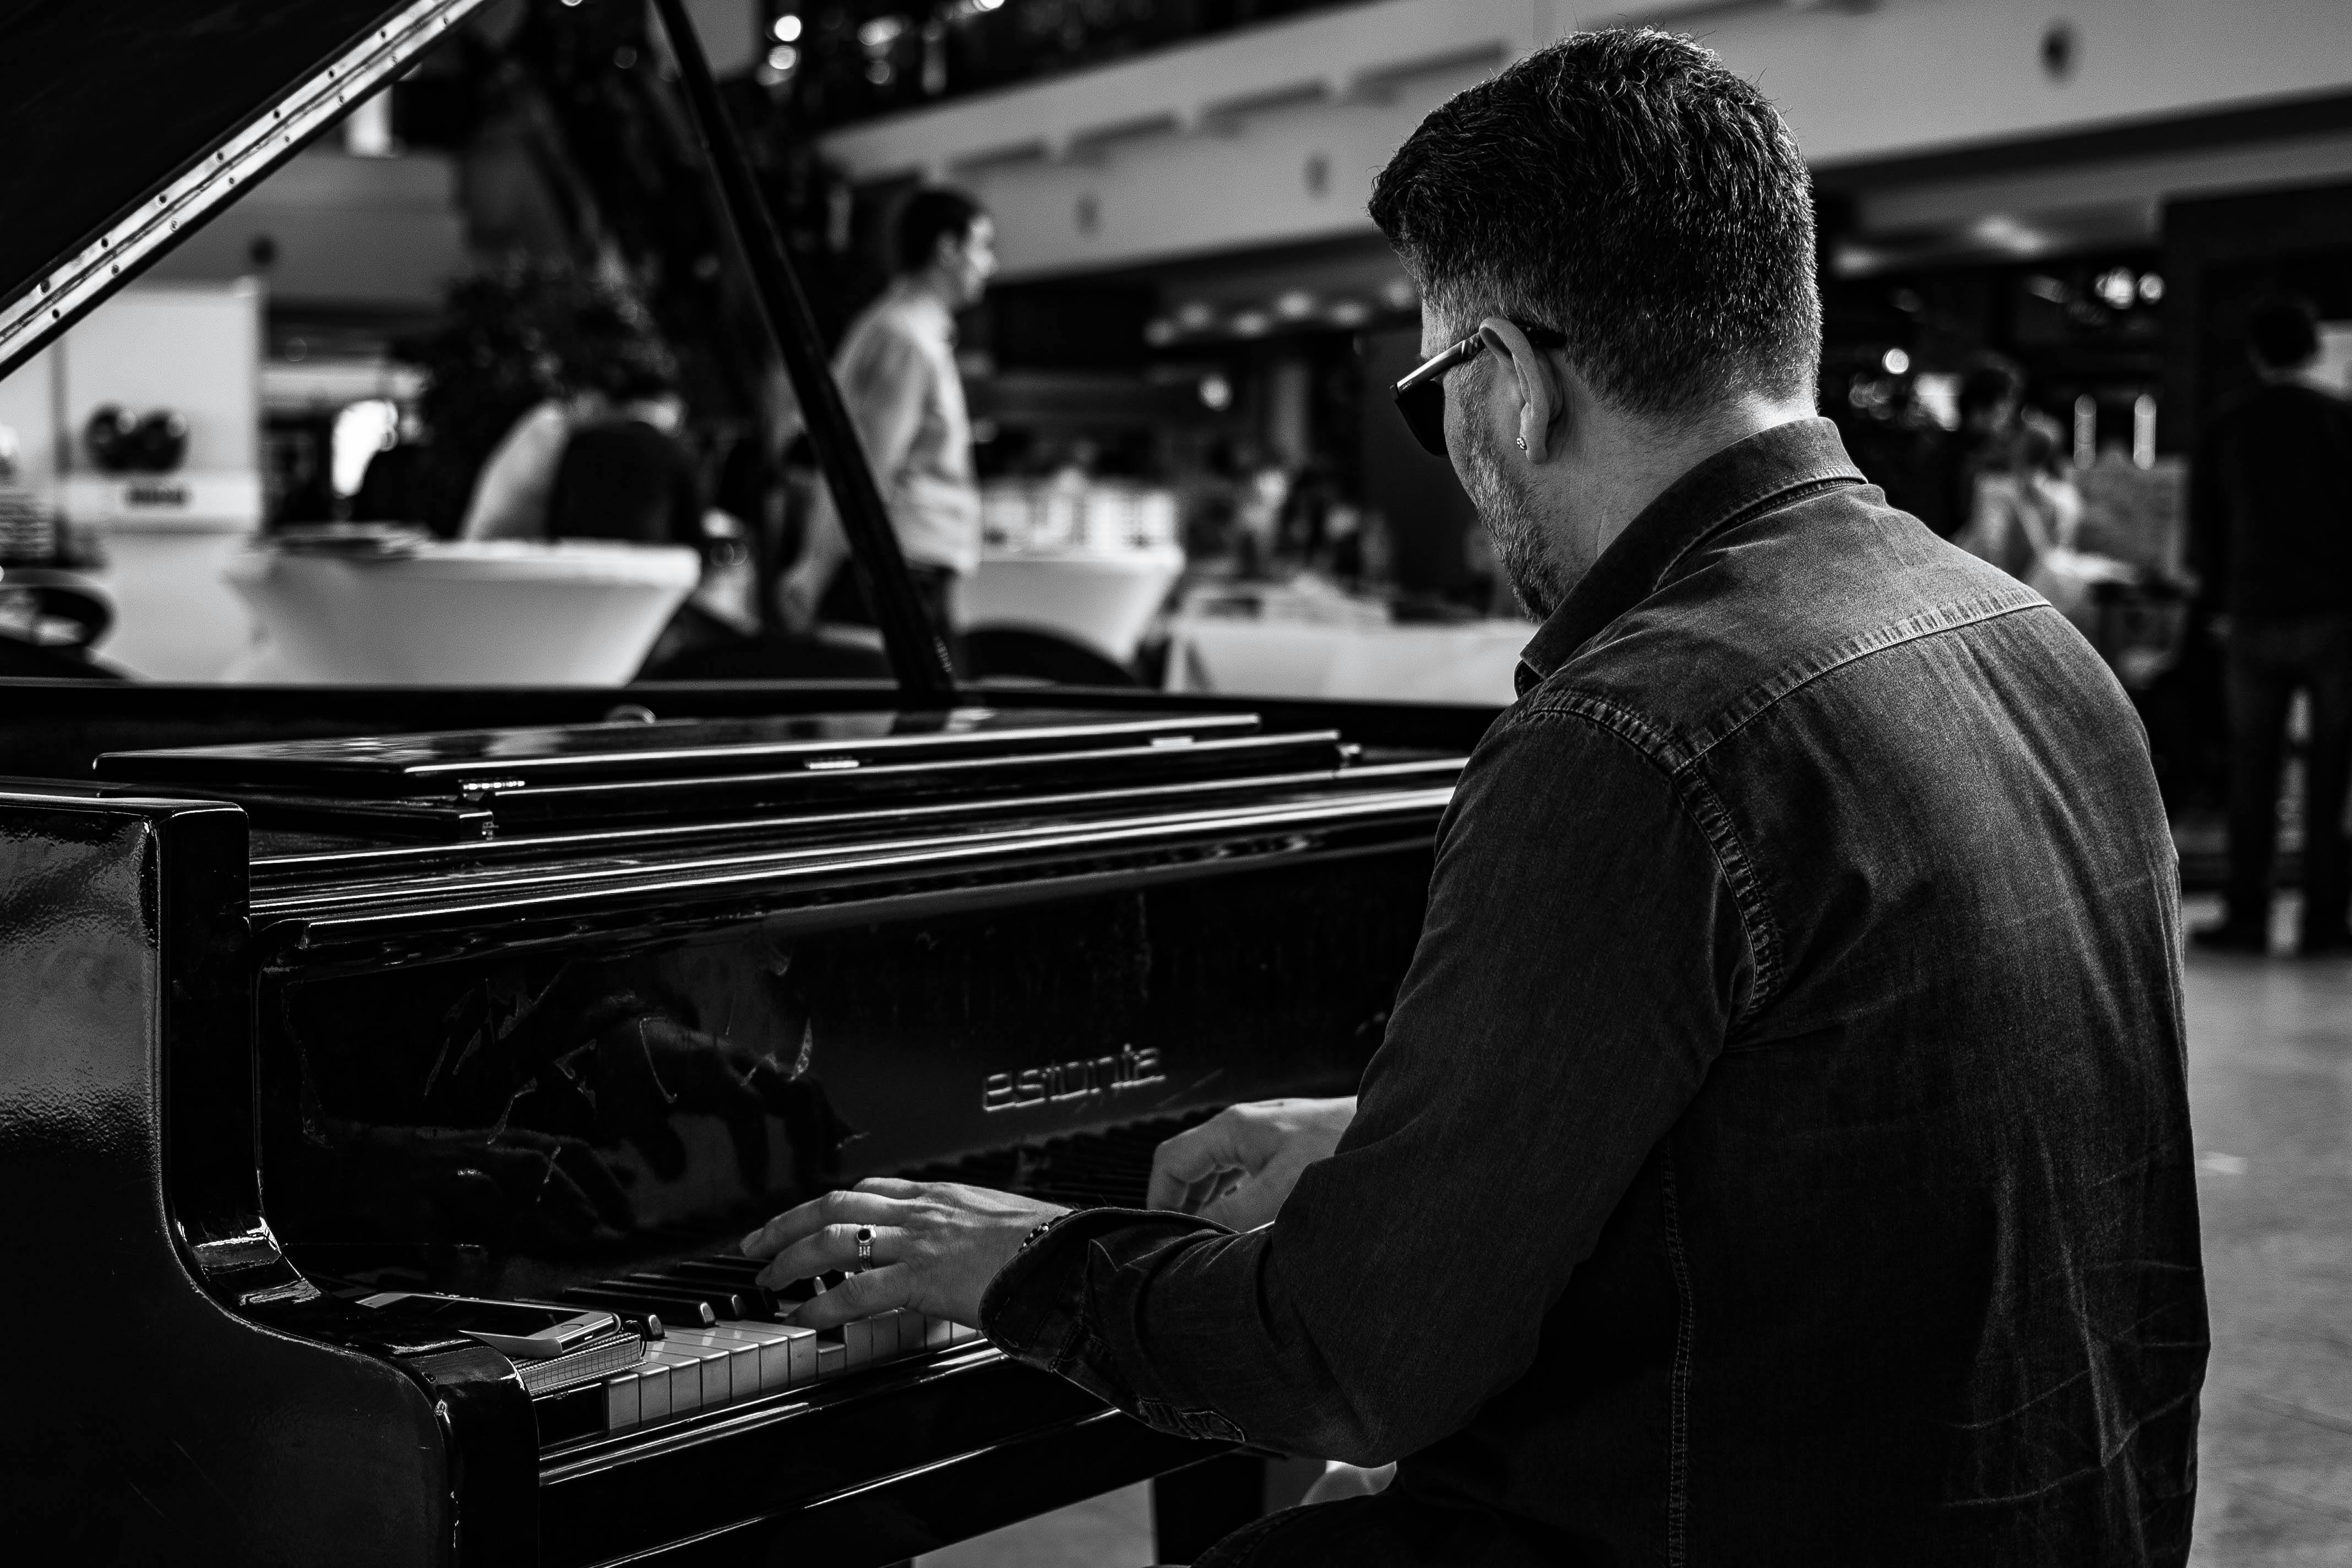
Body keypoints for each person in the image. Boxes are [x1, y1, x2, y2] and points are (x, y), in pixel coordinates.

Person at [739, 30, 2206, 1565]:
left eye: (1431, 385)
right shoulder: (2036, 646)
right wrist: (1404, 1140)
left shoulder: (1635, 733)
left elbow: (1349, 1359)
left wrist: (1029, 1259)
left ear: (1509, 381)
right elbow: (1840, 1126)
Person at [2190, 295, 2352, 955]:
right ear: (2312, 349)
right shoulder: (2342, 420)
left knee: (2253, 771)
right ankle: (2324, 921)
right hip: (2336, 619)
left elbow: (2205, 530)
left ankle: (2248, 916)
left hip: (2253, 618)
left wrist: (2218, 608)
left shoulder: (2228, 424)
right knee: (2331, 773)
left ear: (2256, 353)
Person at [776, 186, 995, 668]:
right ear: (947, 249)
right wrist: (815, 568)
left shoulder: (913, 332)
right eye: (982, 247)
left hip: (904, 560)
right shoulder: (904, 336)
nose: (989, 264)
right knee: (896, 704)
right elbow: (868, 464)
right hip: (894, 564)